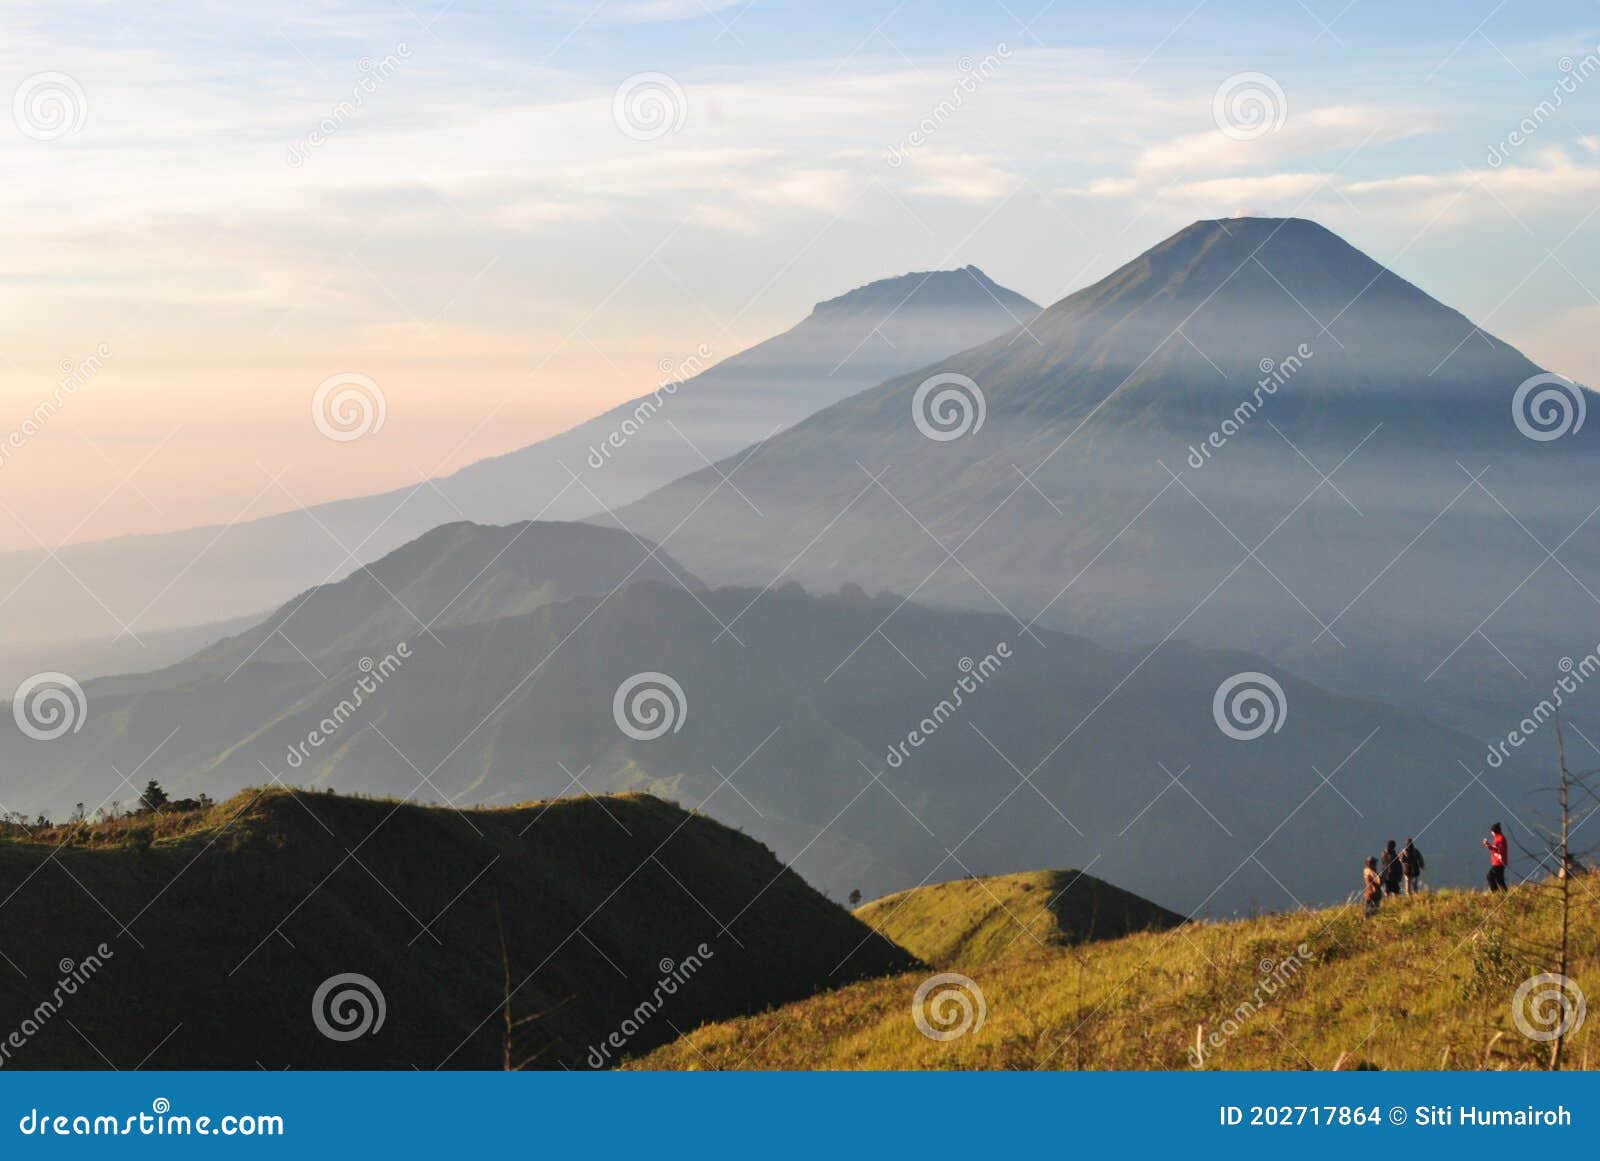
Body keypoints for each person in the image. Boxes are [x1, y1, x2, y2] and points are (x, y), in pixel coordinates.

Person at [1483, 822, 1508, 892]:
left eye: (1492, 831)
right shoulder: (1499, 838)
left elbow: (1497, 849)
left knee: (1490, 877)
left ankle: (1495, 893)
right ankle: (1505, 893)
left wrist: (1487, 844)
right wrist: (1488, 845)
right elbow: (1495, 849)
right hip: (1500, 862)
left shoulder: (1500, 839)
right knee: (1500, 880)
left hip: (1499, 863)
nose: (1491, 833)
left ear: (1494, 831)